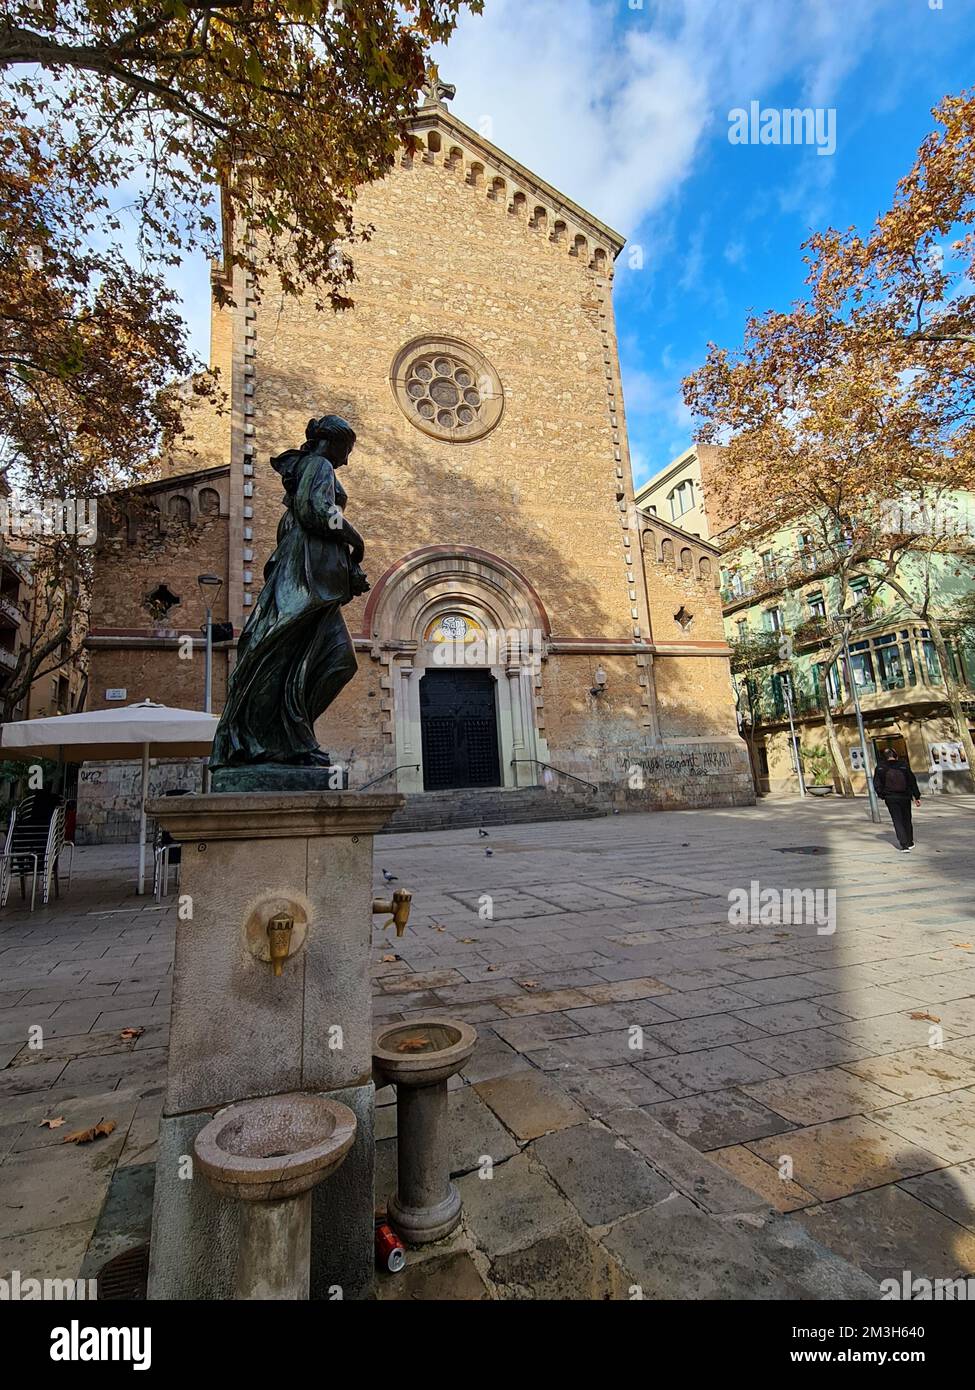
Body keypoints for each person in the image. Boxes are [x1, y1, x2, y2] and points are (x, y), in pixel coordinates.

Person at [211, 414, 368, 769]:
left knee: (330, 658)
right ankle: (282, 740)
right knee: (324, 657)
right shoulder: (319, 465)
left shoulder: (314, 467)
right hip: (306, 578)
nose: (347, 459)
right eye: (347, 449)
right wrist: (355, 538)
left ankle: (290, 738)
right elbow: (315, 511)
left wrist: (349, 566)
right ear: (332, 443)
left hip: (315, 578)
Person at [873, 747, 921, 851]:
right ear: (895, 755)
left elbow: (876, 784)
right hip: (905, 797)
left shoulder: (880, 767)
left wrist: (882, 795)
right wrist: (916, 796)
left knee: (897, 820)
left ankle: (904, 845)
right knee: (907, 819)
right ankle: (909, 842)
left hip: (890, 798)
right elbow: (912, 781)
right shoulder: (903, 765)